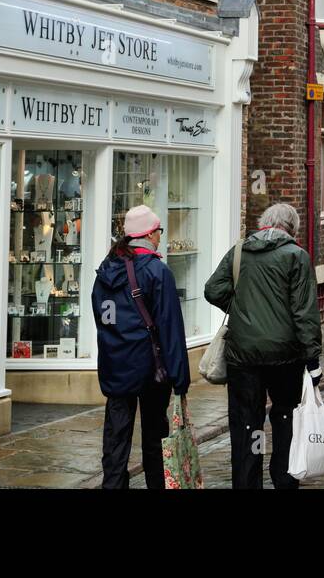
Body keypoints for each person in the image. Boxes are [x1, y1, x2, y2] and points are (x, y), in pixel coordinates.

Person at [205, 203, 323, 490]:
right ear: (291, 228)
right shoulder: (296, 256)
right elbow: (304, 311)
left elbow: (213, 289)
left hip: (242, 357)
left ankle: (246, 483)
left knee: (246, 423)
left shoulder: (239, 251)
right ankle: (284, 480)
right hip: (285, 357)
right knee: (285, 419)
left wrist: (243, 312)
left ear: (264, 223)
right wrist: (313, 358)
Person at [92, 205, 192, 490]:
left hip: (116, 365)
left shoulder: (105, 270)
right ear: (150, 234)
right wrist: (180, 379)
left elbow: (101, 317)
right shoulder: (157, 272)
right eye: (159, 231)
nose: (160, 237)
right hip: (151, 368)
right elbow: (171, 329)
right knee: (155, 436)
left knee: (116, 437)